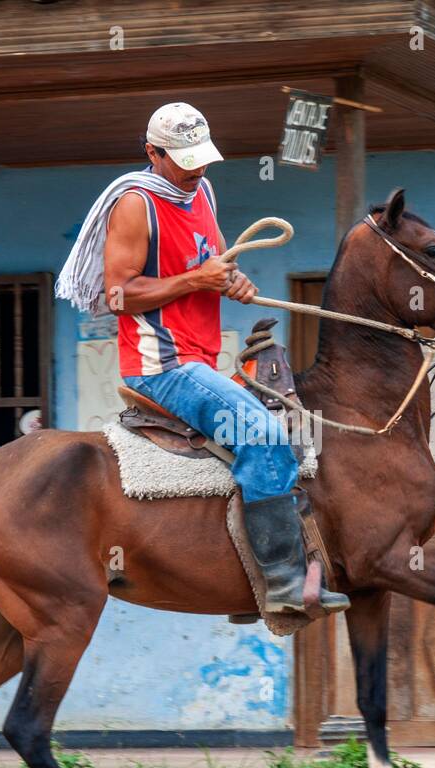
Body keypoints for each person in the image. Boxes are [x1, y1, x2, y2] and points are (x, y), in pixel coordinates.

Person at [57, 102, 347, 617]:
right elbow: (118, 295)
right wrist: (197, 280)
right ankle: (281, 584)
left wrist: (229, 279)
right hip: (161, 367)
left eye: (202, 157)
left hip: (203, 359)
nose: (197, 169)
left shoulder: (203, 191)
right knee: (262, 435)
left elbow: (206, 261)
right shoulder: (135, 204)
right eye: (184, 159)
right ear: (152, 153)